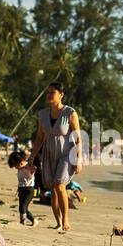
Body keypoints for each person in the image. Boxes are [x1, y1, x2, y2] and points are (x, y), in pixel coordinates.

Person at [30, 83, 83, 233]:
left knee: (60, 185)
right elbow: (40, 137)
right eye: (47, 92)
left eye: (52, 92)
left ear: (61, 94)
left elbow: (78, 138)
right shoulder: (42, 114)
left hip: (67, 154)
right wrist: (32, 156)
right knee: (53, 189)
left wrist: (79, 159)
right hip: (49, 154)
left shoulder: (70, 113)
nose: (49, 95)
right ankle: (58, 222)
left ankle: (66, 219)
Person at [8, 150, 37, 227]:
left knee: (23, 206)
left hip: (29, 190)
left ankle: (22, 222)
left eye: (16, 166)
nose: (16, 168)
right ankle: (33, 220)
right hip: (21, 189)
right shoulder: (19, 169)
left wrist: (32, 168)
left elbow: (34, 169)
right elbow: (20, 181)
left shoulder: (28, 166)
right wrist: (18, 190)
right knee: (22, 208)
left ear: (20, 163)